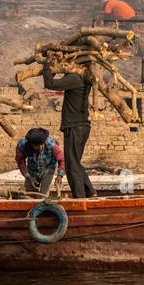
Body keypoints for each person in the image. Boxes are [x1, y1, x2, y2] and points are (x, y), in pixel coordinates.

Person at [41, 59, 95, 198]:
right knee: (74, 162)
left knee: (72, 165)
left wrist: (47, 67)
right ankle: (89, 192)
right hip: (82, 126)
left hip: (74, 126)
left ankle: (80, 197)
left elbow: (50, 84)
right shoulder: (82, 77)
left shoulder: (75, 78)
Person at [15, 126, 65, 194]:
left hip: (48, 169)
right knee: (30, 194)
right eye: (37, 146)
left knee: (43, 194)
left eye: (42, 145)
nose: (41, 148)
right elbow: (20, 161)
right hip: (32, 171)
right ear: (32, 145)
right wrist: (28, 177)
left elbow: (62, 160)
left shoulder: (52, 145)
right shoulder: (22, 145)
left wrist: (60, 175)